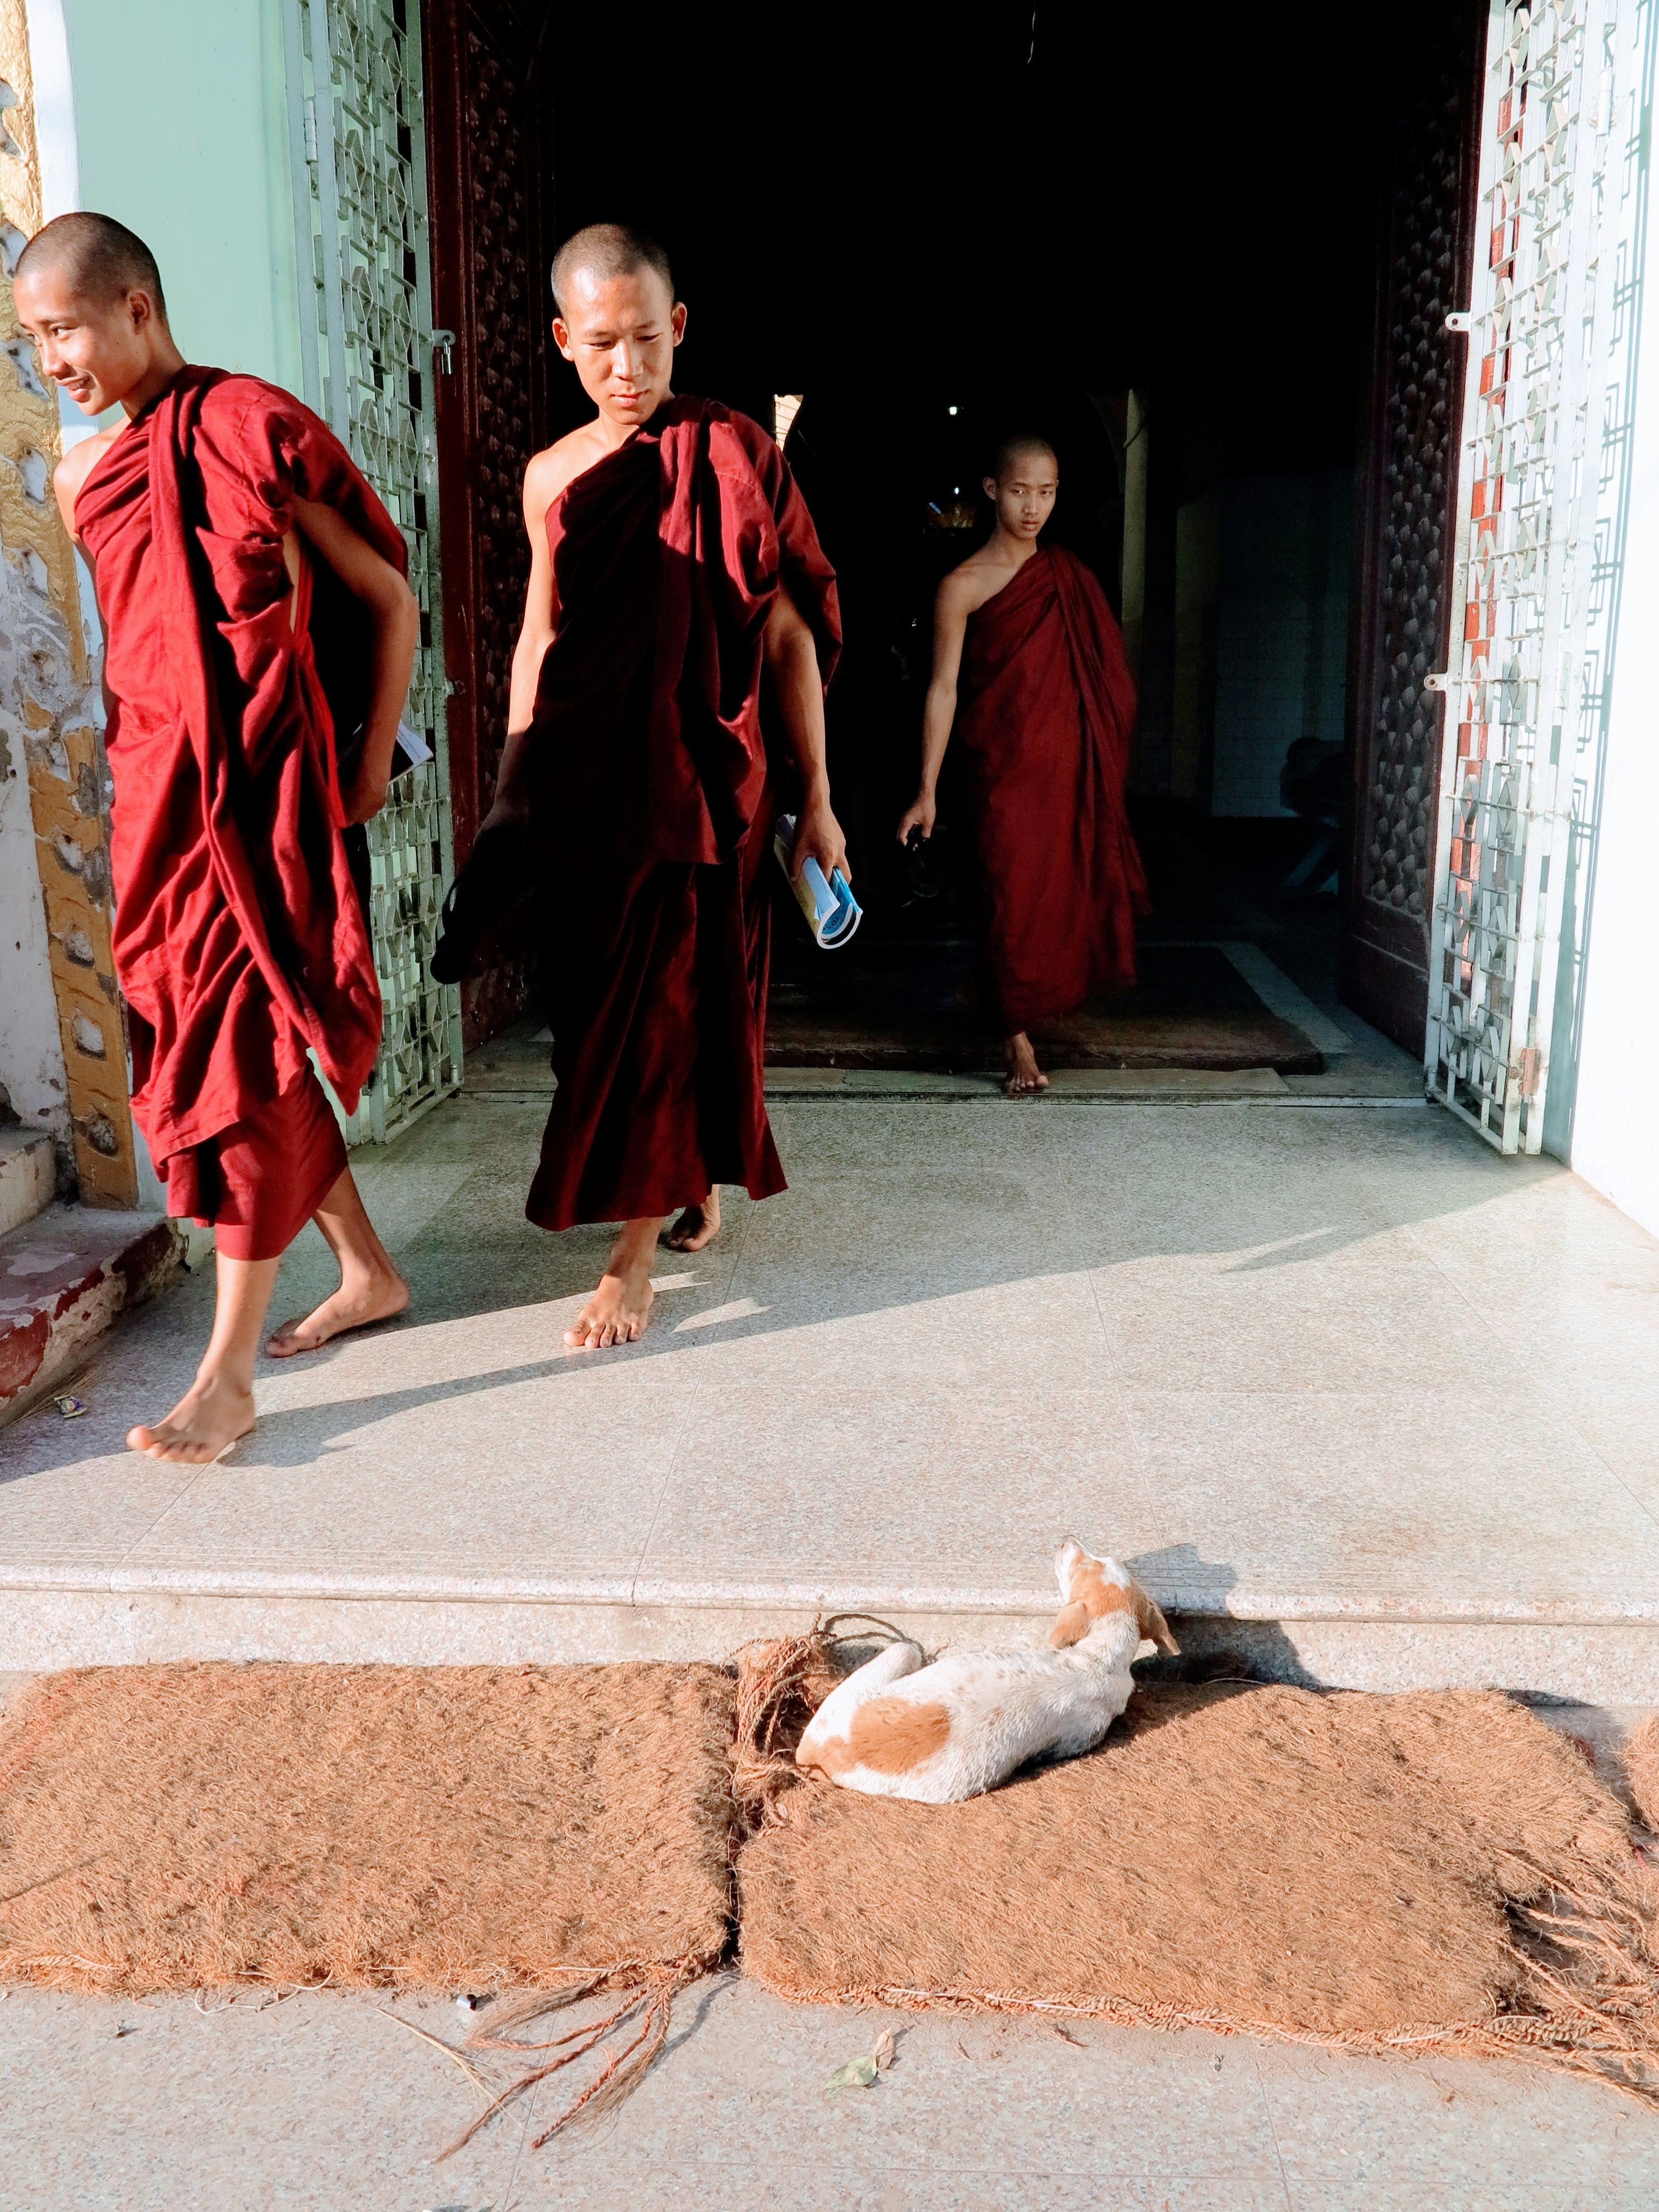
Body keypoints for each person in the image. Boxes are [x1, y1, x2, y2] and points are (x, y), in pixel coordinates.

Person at [15, 213, 418, 1463]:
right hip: (157, 807)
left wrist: (361, 769)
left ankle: (228, 1377)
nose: (53, 360)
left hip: (263, 804)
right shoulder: (86, 475)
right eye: (32, 341)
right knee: (234, 1053)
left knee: (241, 1065)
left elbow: (387, 599)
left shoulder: (253, 426)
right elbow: (143, 653)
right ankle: (365, 1266)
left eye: (66, 327)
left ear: (138, 303)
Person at [447, 222, 843, 1348]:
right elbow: (537, 638)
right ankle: (690, 1171)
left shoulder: (737, 455)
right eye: (602, 346)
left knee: (670, 1005)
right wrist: (514, 781)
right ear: (567, 341)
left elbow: (789, 646)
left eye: (647, 343)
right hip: (583, 787)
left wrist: (818, 797)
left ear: (679, 329)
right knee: (595, 1023)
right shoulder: (551, 477)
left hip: (703, 789)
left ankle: (629, 1258)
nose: (628, 370)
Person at [898, 434, 1148, 1095]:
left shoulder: (1070, 579)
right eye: (1018, 491)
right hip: (1000, 772)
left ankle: (995, 993)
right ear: (990, 490)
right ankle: (1015, 1038)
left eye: (1046, 492)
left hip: (1067, 774)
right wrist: (927, 787)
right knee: (1008, 895)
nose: (1033, 507)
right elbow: (943, 688)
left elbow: (1111, 685)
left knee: (1058, 896)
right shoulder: (961, 586)